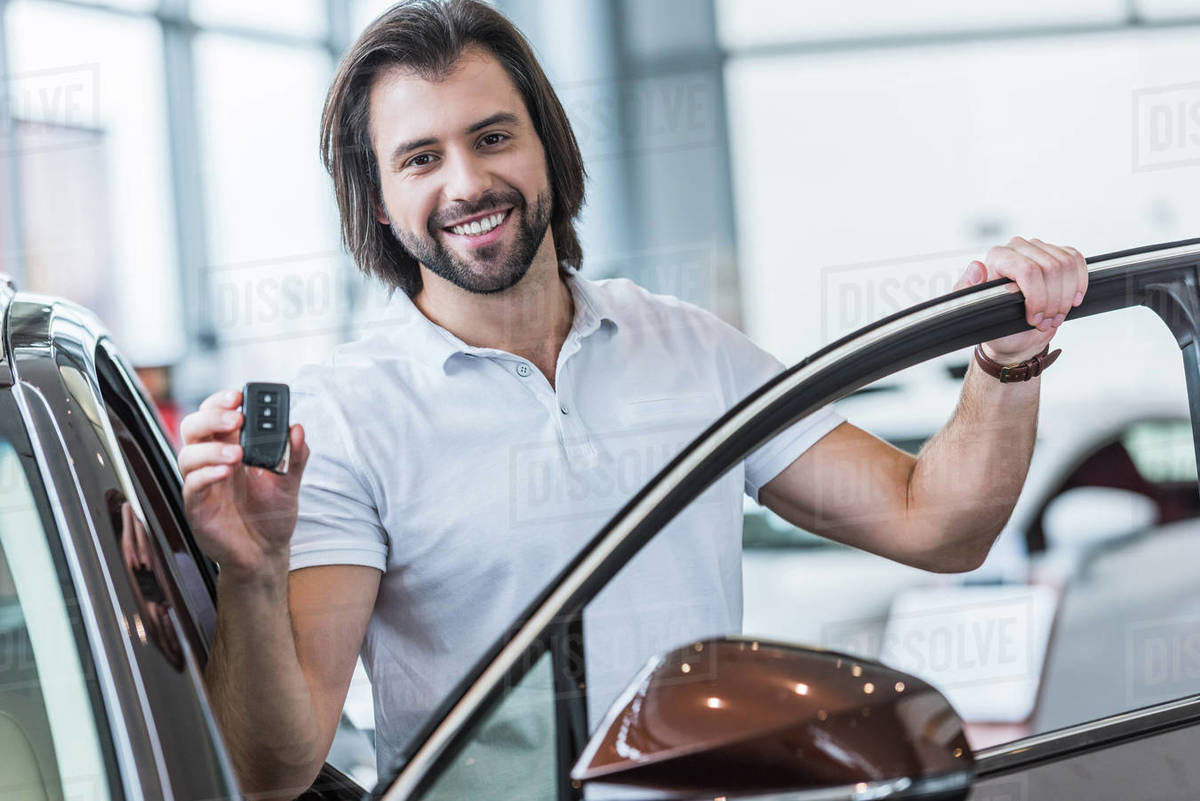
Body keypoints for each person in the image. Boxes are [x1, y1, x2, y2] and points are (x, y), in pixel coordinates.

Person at [177, 1, 1089, 798]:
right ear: (378, 200)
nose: (467, 183)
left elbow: (936, 524)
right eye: (421, 158)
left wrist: (1004, 359)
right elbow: (271, 772)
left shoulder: (688, 348)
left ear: (545, 145)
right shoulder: (344, 420)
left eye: (493, 136)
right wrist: (252, 576)